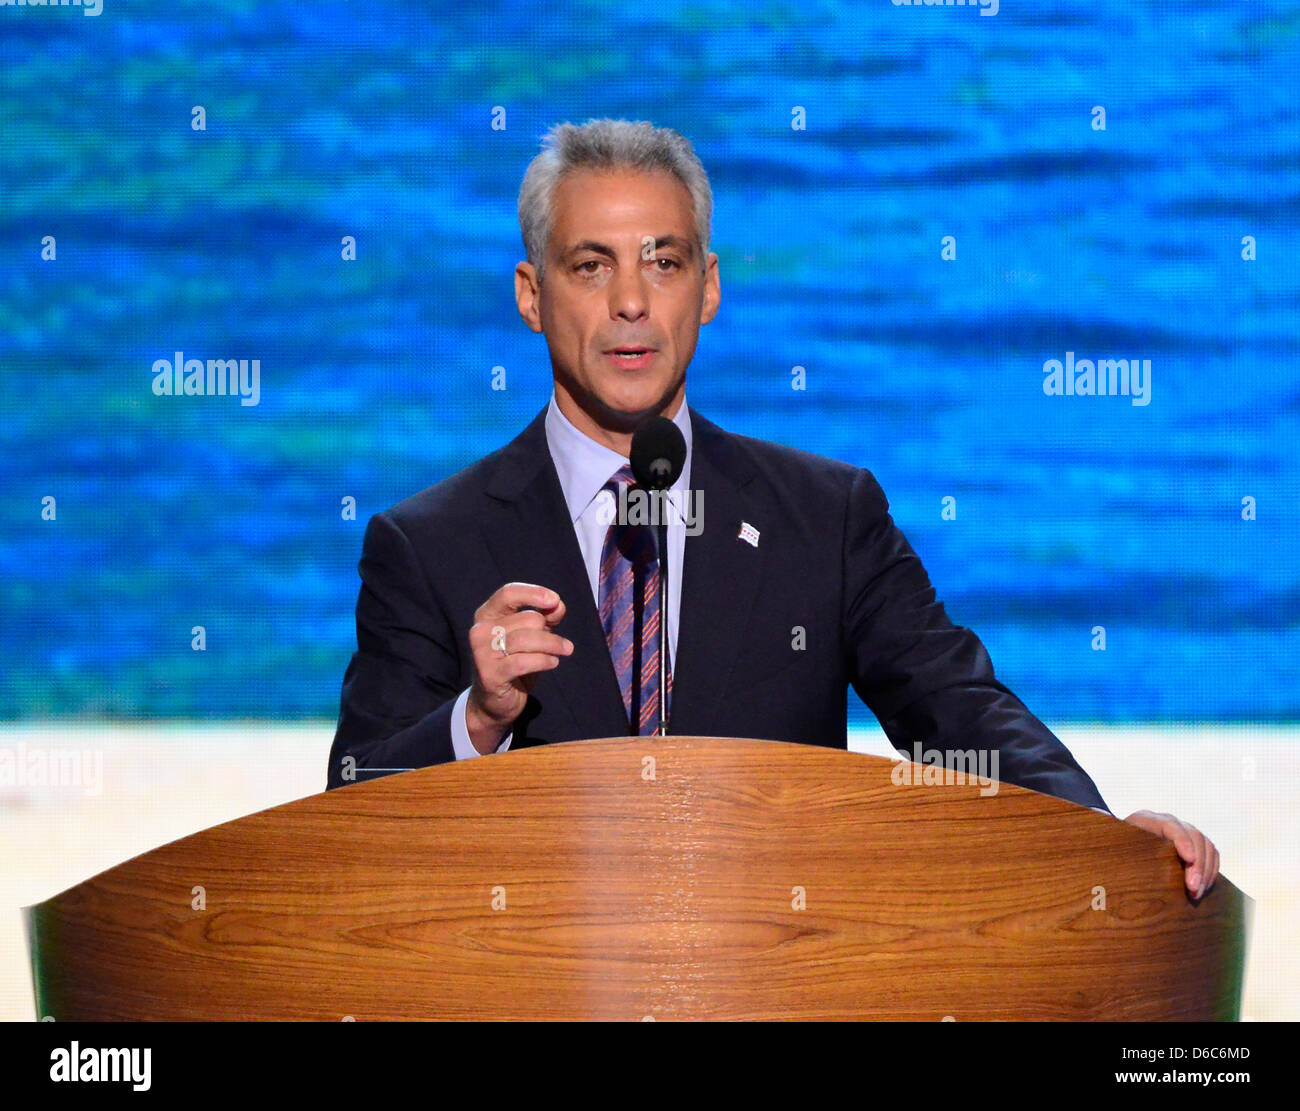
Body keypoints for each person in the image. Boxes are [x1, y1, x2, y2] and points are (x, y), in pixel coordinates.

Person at [327, 118, 1219, 899]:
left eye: (663, 262)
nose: (631, 301)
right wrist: (475, 721)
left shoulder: (826, 518)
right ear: (531, 295)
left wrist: (1097, 833)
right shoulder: (427, 543)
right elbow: (344, 817)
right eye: (591, 265)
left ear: (708, 288)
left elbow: (961, 714)